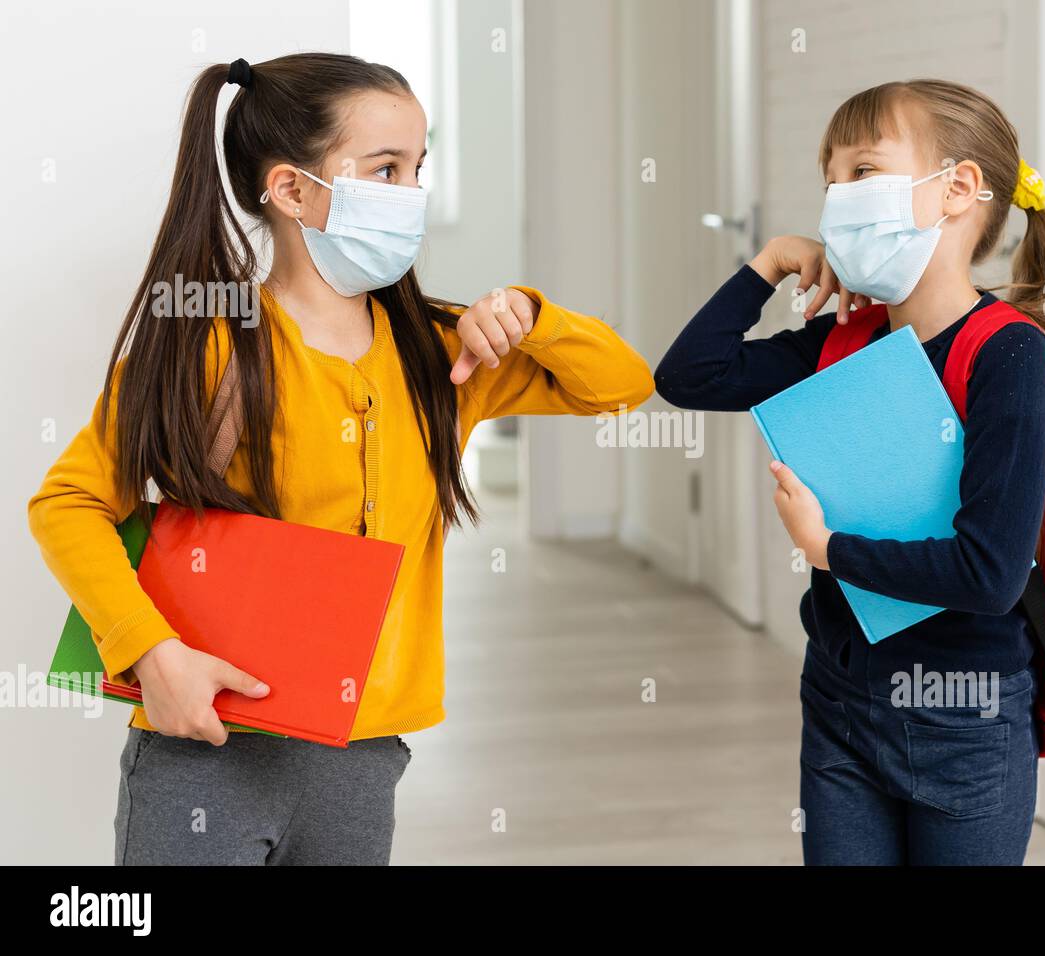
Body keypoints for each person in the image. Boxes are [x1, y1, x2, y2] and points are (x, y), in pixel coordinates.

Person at [28, 53, 653, 865]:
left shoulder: (442, 354)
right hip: (206, 753)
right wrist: (150, 650)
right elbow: (68, 503)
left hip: (363, 760)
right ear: (291, 191)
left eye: (419, 167)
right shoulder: (208, 347)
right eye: (385, 169)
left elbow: (624, 386)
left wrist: (532, 314)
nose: (413, 194)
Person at [654, 79, 1045, 865]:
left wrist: (830, 550)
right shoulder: (839, 343)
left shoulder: (1009, 355)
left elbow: (991, 573)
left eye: (861, 172)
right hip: (839, 699)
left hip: (963, 715)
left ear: (957, 189)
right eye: (829, 180)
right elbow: (688, 375)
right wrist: (767, 264)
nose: (837, 198)